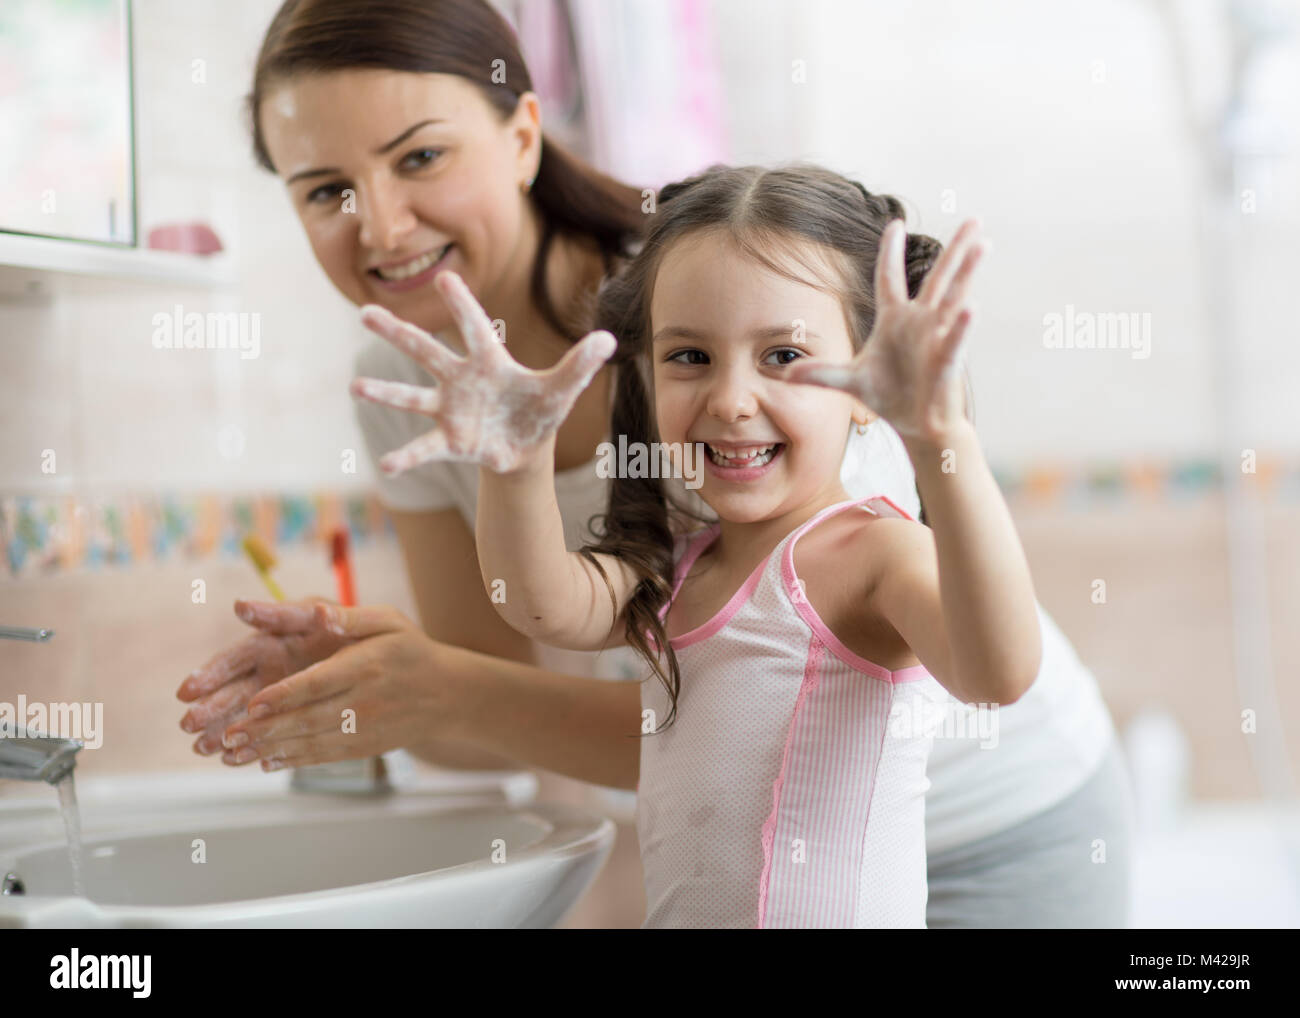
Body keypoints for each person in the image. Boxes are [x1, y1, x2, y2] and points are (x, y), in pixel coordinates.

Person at [177, 0, 1133, 928]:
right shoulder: (410, 383)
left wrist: (943, 438)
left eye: (420, 156)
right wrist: (380, 679)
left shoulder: (730, 292)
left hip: (1001, 823)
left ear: (523, 136)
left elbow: (960, 665)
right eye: (327, 190)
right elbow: (519, 663)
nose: (382, 226)